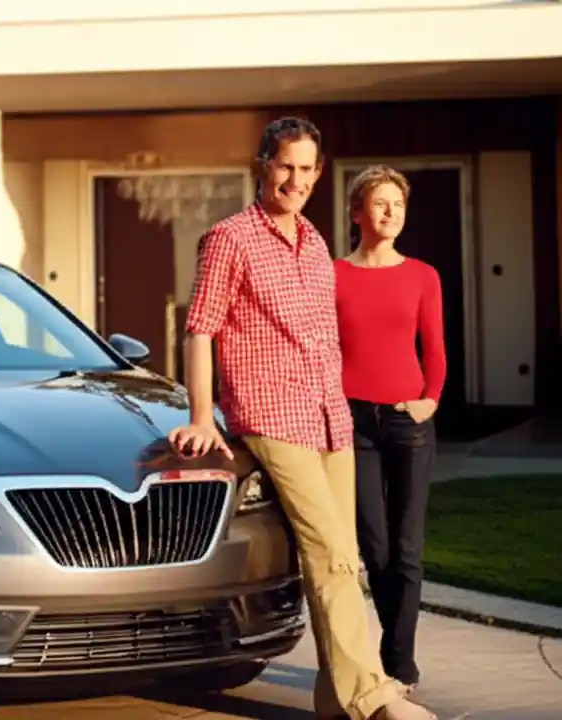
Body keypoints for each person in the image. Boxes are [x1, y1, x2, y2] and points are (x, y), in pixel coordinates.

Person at [168, 117, 436, 720]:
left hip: (328, 415)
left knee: (341, 562)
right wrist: (202, 416)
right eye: (286, 165)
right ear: (264, 165)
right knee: (334, 552)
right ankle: (373, 697)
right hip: (271, 413)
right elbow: (200, 328)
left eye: (307, 168)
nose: (296, 179)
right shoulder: (229, 238)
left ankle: (333, 701)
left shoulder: (315, 241)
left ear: (319, 172)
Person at [334, 165, 446, 691]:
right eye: (379, 204)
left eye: (397, 205)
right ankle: (391, 643)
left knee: (406, 548)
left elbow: (436, 350)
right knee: (373, 547)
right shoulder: (333, 274)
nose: (390, 213)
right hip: (354, 420)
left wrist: (430, 400)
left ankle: (398, 661)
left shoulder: (423, 275)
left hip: (408, 421)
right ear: (357, 212)